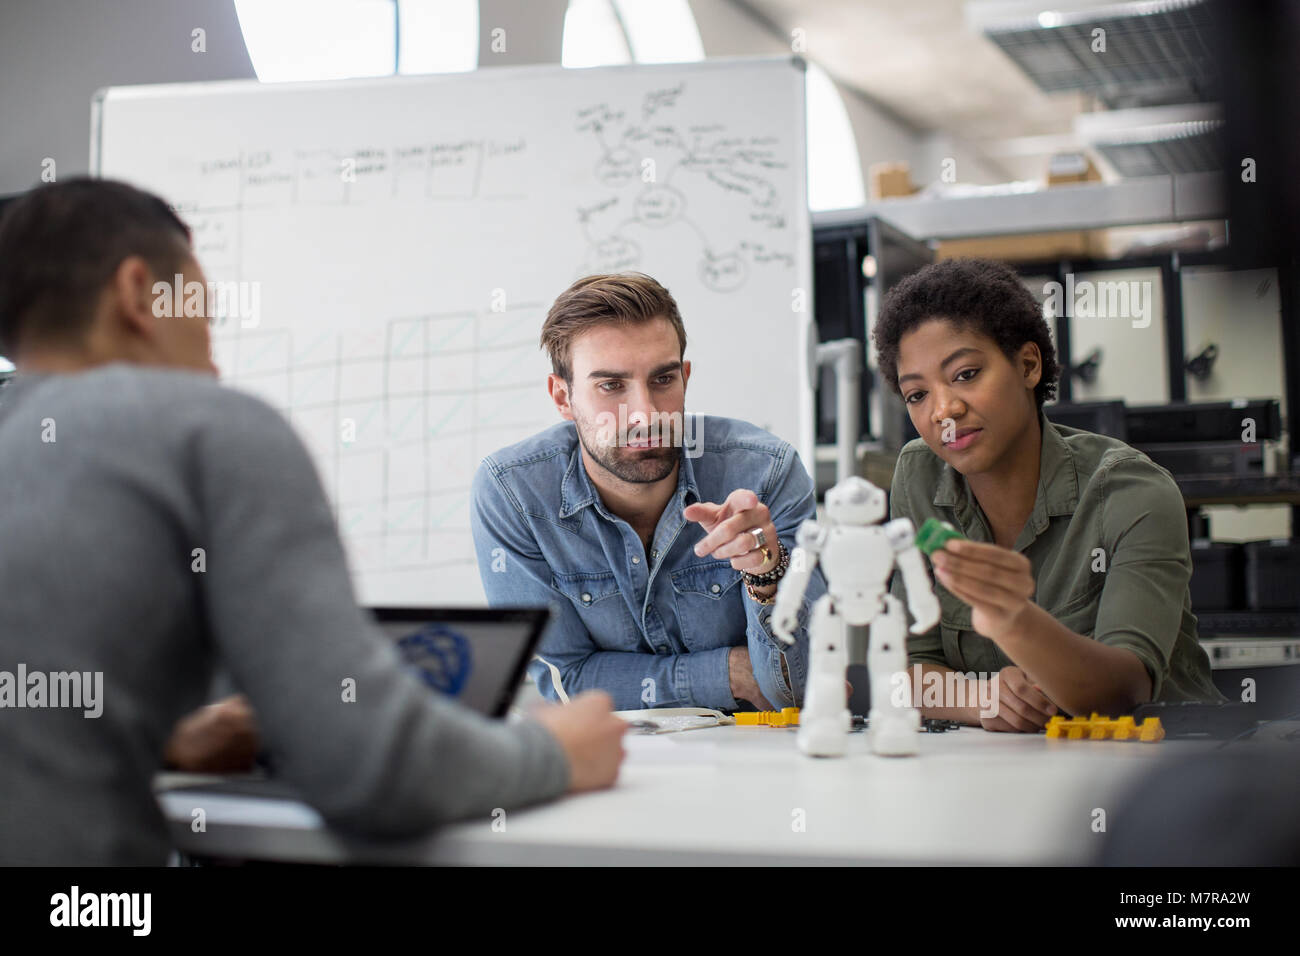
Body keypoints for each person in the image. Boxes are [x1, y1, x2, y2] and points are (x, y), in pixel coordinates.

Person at [0, 178, 626, 865]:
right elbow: (371, 766)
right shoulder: (206, 429)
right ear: (136, 293)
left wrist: (162, 738)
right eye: (202, 317)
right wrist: (556, 753)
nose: (211, 362)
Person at [873, 258, 1223, 732]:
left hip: (1163, 771)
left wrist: (1011, 618)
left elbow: (1123, 692)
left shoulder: (1131, 491)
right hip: (1014, 770)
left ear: (1028, 365)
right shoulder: (918, 475)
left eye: (966, 374)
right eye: (917, 395)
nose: (944, 410)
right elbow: (906, 669)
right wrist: (979, 699)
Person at [471, 273, 826, 712]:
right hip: (616, 764)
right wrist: (728, 673)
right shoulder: (515, 493)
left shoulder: (765, 474)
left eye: (663, 380)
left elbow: (801, 690)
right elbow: (567, 682)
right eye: (611, 386)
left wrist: (766, 577)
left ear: (686, 378)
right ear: (562, 397)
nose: (646, 414)